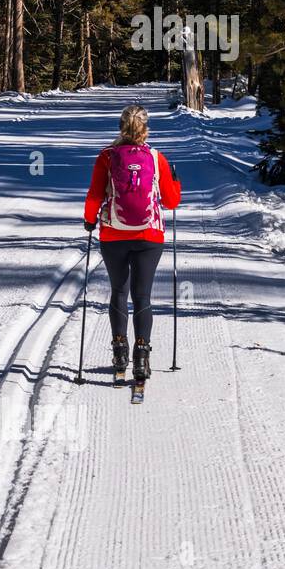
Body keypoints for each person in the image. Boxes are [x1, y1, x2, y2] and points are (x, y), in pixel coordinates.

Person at [82, 104, 181, 384]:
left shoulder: (107, 156)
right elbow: (171, 201)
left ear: (120, 126)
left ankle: (119, 351)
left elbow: (94, 195)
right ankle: (141, 354)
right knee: (142, 296)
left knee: (118, 291)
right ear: (146, 128)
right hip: (149, 235)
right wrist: (176, 180)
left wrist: (90, 221)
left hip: (114, 234)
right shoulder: (156, 157)